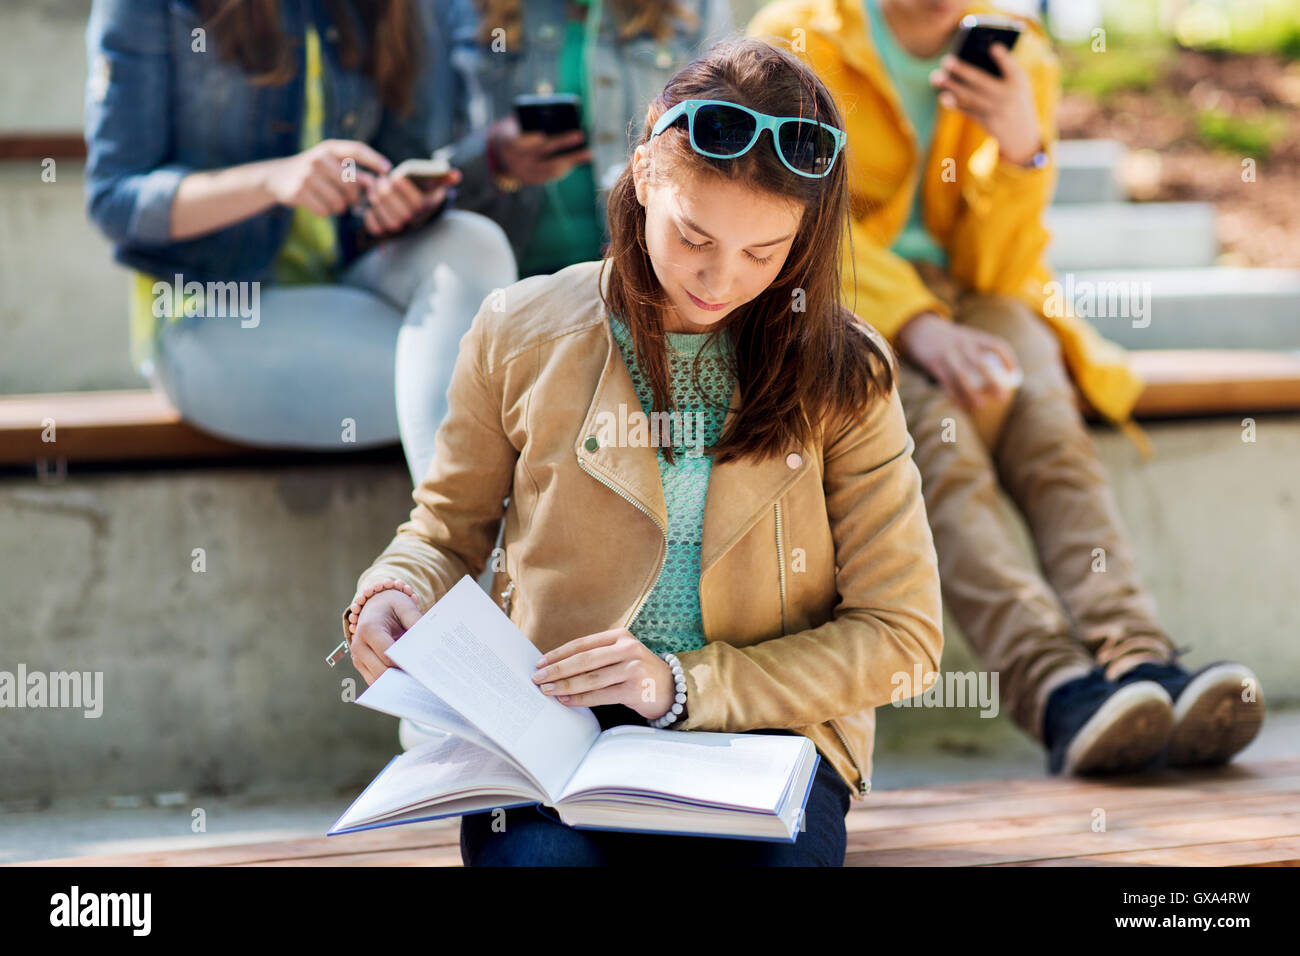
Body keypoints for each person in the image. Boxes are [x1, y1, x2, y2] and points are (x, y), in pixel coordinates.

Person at [341, 36, 945, 866]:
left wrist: (681, 686)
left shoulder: (846, 371)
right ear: (641, 174)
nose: (720, 278)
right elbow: (445, 531)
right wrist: (392, 590)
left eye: (764, 254)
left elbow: (901, 637)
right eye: (693, 235)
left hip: (764, 744)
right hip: (550, 744)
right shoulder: (517, 330)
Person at [748, 0, 1265, 775]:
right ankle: (1055, 687)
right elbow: (795, 220)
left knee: (1049, 426)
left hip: (978, 293)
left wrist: (1022, 150)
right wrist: (917, 323)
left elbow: (997, 266)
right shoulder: (795, 41)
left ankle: (1138, 660)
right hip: (841, 299)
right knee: (936, 453)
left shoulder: (1021, 55)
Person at [84, 0, 516, 485]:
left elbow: (405, 160)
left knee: (472, 244)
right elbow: (115, 200)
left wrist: (393, 200)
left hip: (350, 287)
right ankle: (472, 551)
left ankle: (452, 552)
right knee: (492, 384)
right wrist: (273, 181)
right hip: (212, 313)